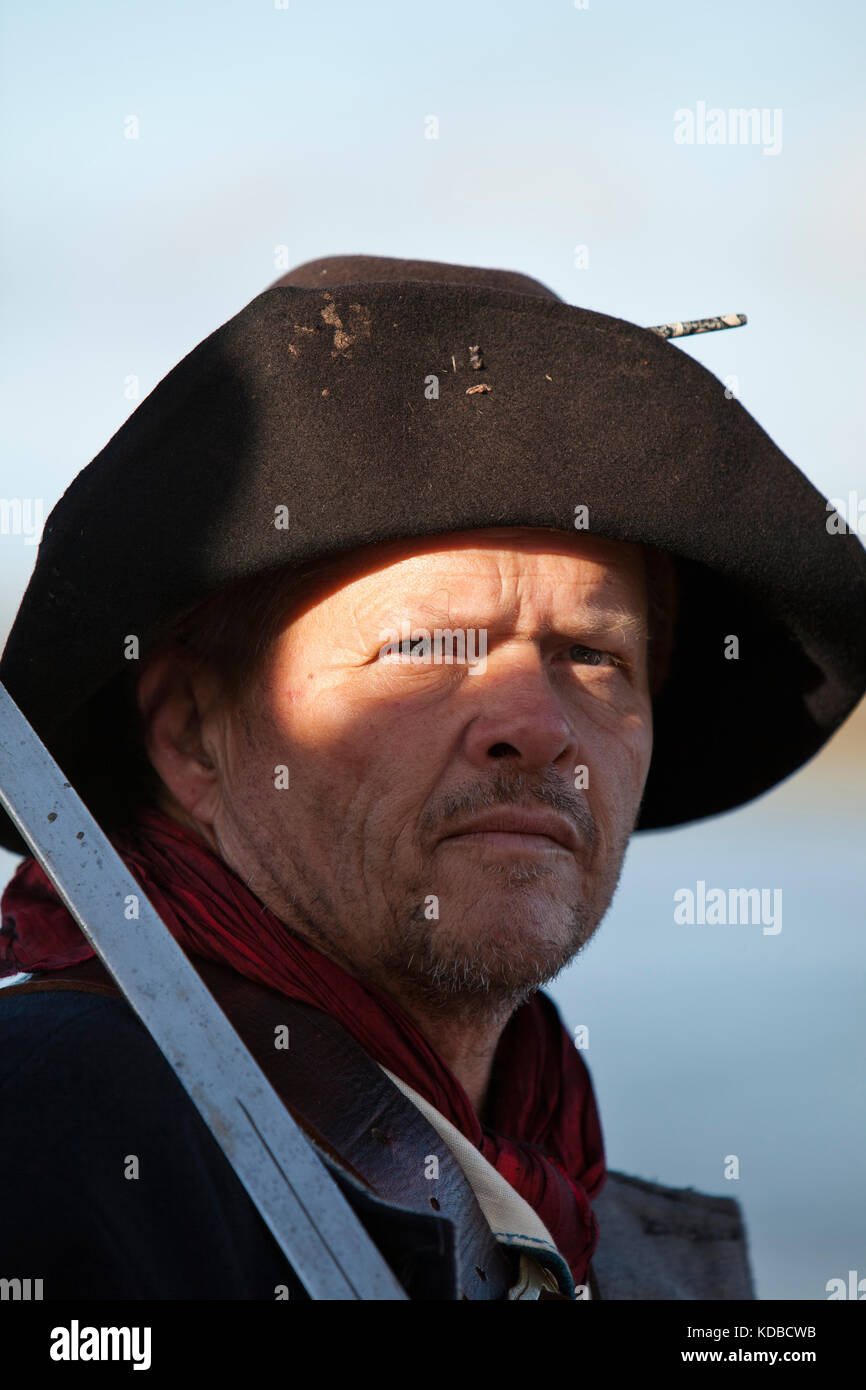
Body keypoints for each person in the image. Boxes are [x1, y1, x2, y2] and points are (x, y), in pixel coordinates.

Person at [1, 255, 864, 1301]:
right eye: (425, 649)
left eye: (593, 656)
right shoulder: (42, 1135)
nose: (537, 727)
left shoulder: (601, 1234)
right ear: (190, 729)